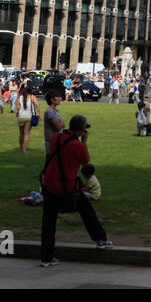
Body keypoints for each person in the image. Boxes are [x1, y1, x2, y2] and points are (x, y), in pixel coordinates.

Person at [39, 114, 113, 267]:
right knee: (87, 211)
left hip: (49, 183)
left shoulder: (55, 138)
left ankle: (46, 257)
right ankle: (101, 239)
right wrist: (84, 142)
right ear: (81, 130)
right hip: (67, 185)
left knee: (48, 221)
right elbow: (85, 161)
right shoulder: (77, 146)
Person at [14, 82, 38, 153]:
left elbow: (17, 107)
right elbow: (37, 105)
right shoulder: (32, 97)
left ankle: (21, 147)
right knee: (27, 133)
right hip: (29, 116)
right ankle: (24, 149)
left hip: (21, 116)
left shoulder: (20, 97)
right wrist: (39, 113)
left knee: (21, 133)